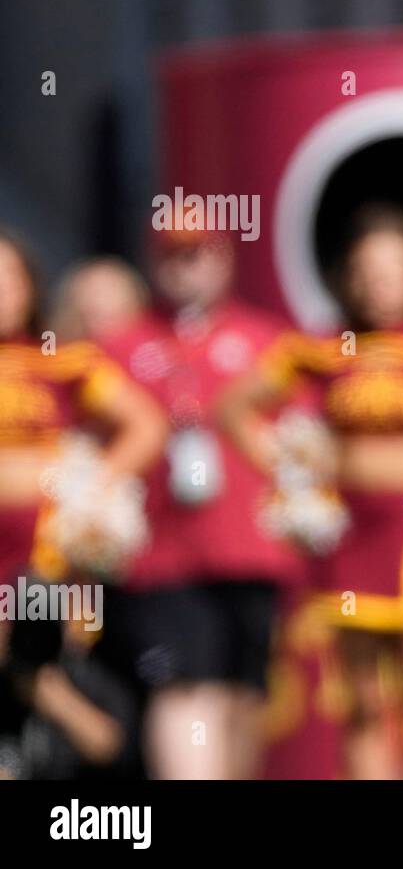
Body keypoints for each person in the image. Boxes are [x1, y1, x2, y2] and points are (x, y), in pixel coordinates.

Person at [221, 203, 403, 779]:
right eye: (367, 272)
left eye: (394, 271)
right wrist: (290, 473)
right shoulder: (318, 349)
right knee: (364, 706)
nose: (380, 285)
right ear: (346, 277)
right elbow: (235, 409)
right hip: (350, 538)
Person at [64, 219, 303, 780]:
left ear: (224, 257)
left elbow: (304, 442)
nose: (186, 266)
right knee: (183, 690)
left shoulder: (271, 344)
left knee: (242, 699)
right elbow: (79, 441)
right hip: (162, 559)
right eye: (174, 254)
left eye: (199, 253)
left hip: (254, 553)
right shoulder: (118, 347)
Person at [0, 226, 167, 778]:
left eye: (8, 277)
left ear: (30, 288)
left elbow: (145, 425)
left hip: (42, 565)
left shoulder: (63, 362)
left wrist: (90, 490)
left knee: (40, 676)